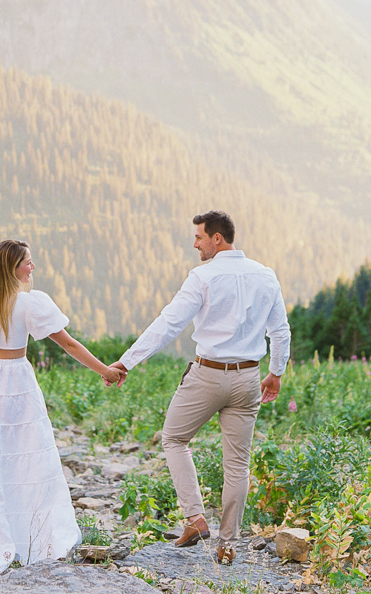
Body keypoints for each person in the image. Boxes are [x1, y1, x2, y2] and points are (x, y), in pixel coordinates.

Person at [107, 211, 290, 565]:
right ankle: (228, 545)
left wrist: (125, 361)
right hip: (249, 377)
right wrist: (275, 372)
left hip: (208, 374)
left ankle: (195, 518)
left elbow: (168, 324)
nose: (195, 244)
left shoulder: (203, 276)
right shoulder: (266, 275)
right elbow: (279, 331)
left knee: (174, 438)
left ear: (217, 238)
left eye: (199, 237)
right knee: (238, 463)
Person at [0, 239, 119, 572]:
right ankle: (31, 535)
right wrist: (106, 371)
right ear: (14, 268)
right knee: (31, 457)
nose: (33, 267)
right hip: (17, 383)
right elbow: (68, 344)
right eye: (28, 261)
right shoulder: (28, 304)